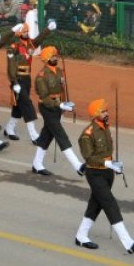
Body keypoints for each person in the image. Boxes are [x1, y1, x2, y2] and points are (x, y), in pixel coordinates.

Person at [75, 99, 134, 254]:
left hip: (107, 173)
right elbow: (89, 158)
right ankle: (128, 242)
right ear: (96, 114)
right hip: (95, 173)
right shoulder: (87, 134)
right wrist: (108, 165)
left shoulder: (105, 128)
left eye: (106, 110)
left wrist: (115, 165)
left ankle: (81, 236)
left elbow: (107, 153)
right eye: (103, 111)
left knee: (96, 204)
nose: (107, 113)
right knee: (110, 203)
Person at [30, 46, 85, 176]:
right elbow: (45, 98)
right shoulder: (41, 76)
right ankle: (77, 165)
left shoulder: (60, 71)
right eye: (53, 56)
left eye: (56, 55)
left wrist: (65, 104)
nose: (56, 58)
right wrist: (60, 105)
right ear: (47, 59)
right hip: (47, 108)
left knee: (46, 136)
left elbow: (62, 90)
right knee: (60, 135)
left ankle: (37, 164)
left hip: (58, 107)